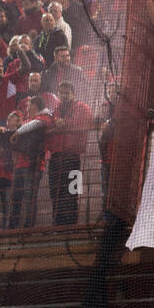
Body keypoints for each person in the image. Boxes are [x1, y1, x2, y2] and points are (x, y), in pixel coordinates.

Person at [46, 81, 92, 226]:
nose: (64, 95)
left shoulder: (82, 107)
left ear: (73, 94)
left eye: (67, 93)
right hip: (56, 156)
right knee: (55, 191)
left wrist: (65, 123)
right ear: (58, 94)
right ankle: (57, 223)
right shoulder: (54, 112)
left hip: (74, 156)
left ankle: (72, 223)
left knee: (72, 191)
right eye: (62, 93)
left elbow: (86, 121)